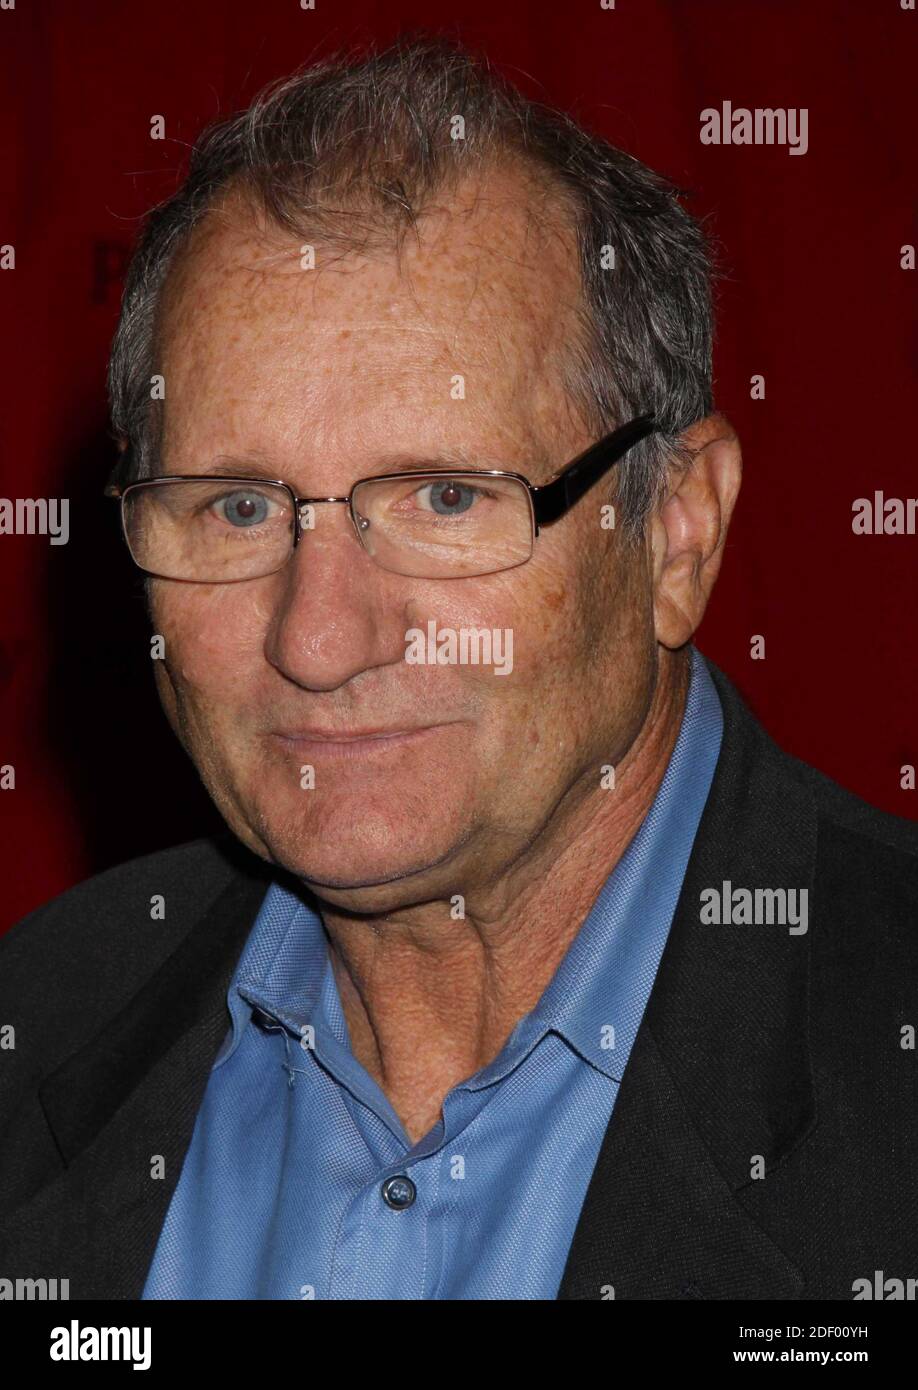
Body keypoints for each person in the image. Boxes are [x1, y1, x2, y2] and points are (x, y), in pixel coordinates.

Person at [1, 36, 916, 1302]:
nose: (317, 640)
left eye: (443, 496)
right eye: (236, 508)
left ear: (676, 533)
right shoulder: (35, 1022)